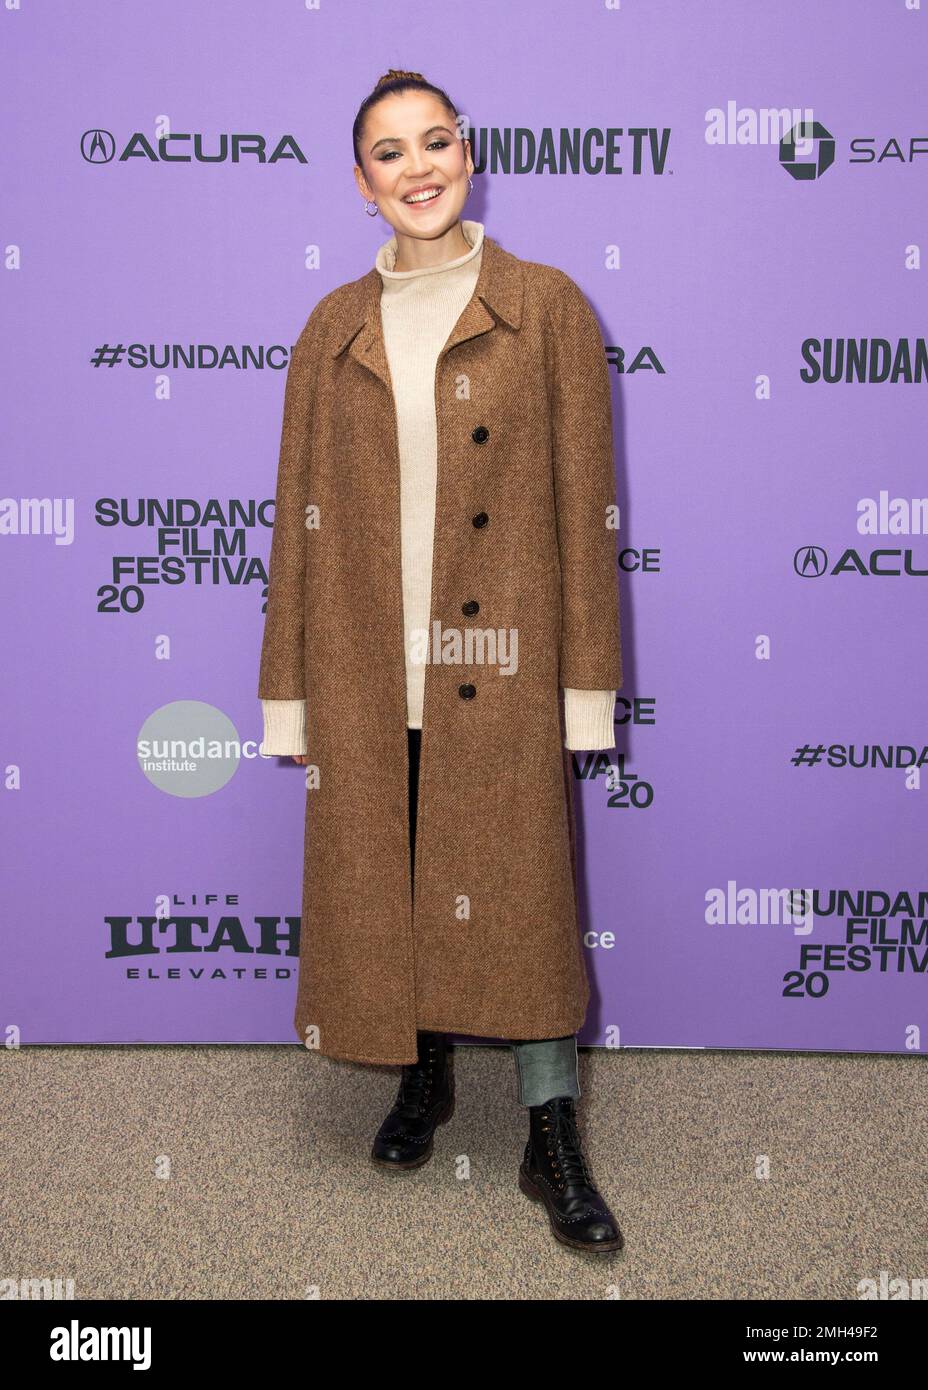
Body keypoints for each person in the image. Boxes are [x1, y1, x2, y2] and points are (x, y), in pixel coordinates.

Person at [259, 69, 625, 1254]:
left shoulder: (549, 306)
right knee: (386, 867)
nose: (417, 168)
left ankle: (549, 1125)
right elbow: (295, 517)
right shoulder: (330, 328)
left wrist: (582, 688)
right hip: (370, 661)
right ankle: (416, 1075)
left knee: (520, 889)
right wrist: (290, 691)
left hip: (498, 653)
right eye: (387, 153)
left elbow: (585, 511)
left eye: (435, 142)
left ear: (468, 155)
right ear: (360, 184)